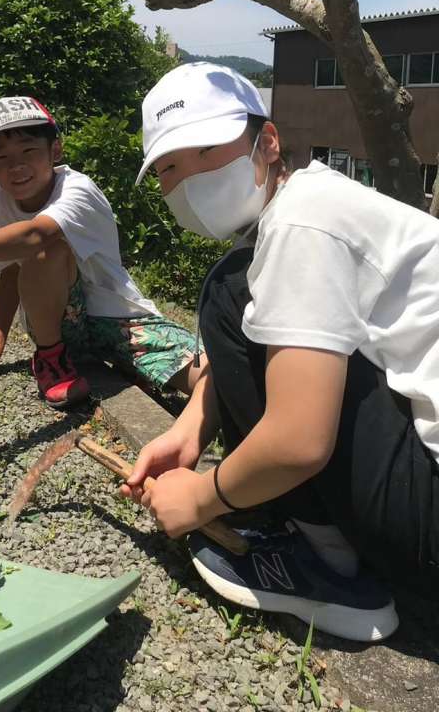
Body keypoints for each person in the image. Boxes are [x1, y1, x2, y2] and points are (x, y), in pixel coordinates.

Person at [122, 60, 439, 643]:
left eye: (206, 152)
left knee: (230, 290)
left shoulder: (303, 221)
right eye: (169, 168)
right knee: (241, 292)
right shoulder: (314, 204)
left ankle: (325, 567)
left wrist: (200, 498)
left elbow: (298, 440)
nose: (189, 179)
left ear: (267, 142)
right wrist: (193, 426)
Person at [0, 96, 201, 409]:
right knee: (44, 255)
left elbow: (36, 235)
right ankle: (52, 359)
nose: (17, 166)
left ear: (55, 150)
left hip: (121, 317)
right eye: (1, 158)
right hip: (59, 327)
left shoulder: (78, 190)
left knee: (207, 373)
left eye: (29, 150)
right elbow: (12, 269)